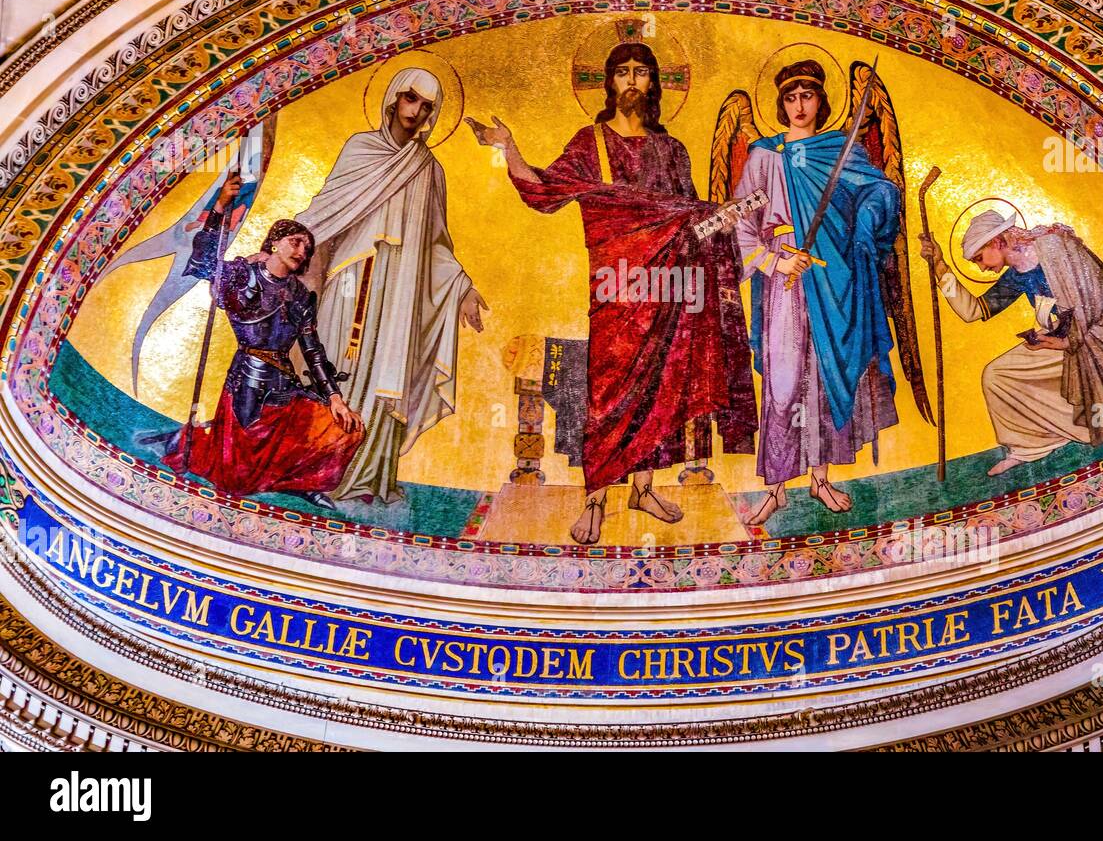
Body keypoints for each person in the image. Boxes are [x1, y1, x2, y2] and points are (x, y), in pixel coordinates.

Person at [468, 42, 756, 544]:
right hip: (616, 289)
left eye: (641, 73)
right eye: (622, 73)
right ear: (608, 82)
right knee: (608, 396)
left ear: (654, 83)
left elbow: (691, 222)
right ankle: (595, 498)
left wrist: (739, 212)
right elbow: (543, 192)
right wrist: (508, 147)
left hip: (669, 289)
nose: (631, 82)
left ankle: (643, 490)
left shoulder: (672, 150)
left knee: (662, 392)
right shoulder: (590, 142)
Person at [296, 67, 488, 505]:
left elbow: (437, 242)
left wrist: (462, 287)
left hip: (399, 293)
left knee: (389, 371)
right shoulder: (359, 149)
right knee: (331, 361)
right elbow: (324, 212)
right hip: (348, 281)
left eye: (426, 107)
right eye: (410, 99)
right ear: (391, 99)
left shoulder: (428, 169)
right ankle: (313, 469)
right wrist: (276, 254)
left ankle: (367, 477)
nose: (416, 112)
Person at [733, 60, 903, 525]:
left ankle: (820, 478)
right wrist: (775, 259)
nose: (799, 105)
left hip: (833, 278)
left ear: (820, 101)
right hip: (785, 281)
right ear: (781, 104)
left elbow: (881, 192)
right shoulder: (764, 156)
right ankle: (774, 487)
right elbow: (740, 222)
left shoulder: (839, 149)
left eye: (807, 96)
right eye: (791, 97)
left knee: (824, 380)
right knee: (783, 382)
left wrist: (867, 218)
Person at [918, 210, 1103, 474]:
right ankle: (1032, 445)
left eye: (980, 258)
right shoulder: (1015, 276)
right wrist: (940, 267)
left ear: (997, 241)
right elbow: (973, 311)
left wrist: (1059, 342)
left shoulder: (1055, 248)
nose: (982, 267)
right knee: (996, 375)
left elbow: (1094, 304)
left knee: (1068, 360)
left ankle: (1093, 424)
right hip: (1066, 341)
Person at [163, 172, 364, 507]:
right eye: (296, 242)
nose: (303, 250)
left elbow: (312, 351)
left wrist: (335, 398)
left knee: (349, 429)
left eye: (308, 247)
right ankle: (195, 444)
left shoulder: (301, 295)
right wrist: (221, 206)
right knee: (235, 478)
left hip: (286, 385)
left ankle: (299, 483)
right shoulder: (242, 276)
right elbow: (202, 263)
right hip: (248, 384)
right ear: (274, 242)